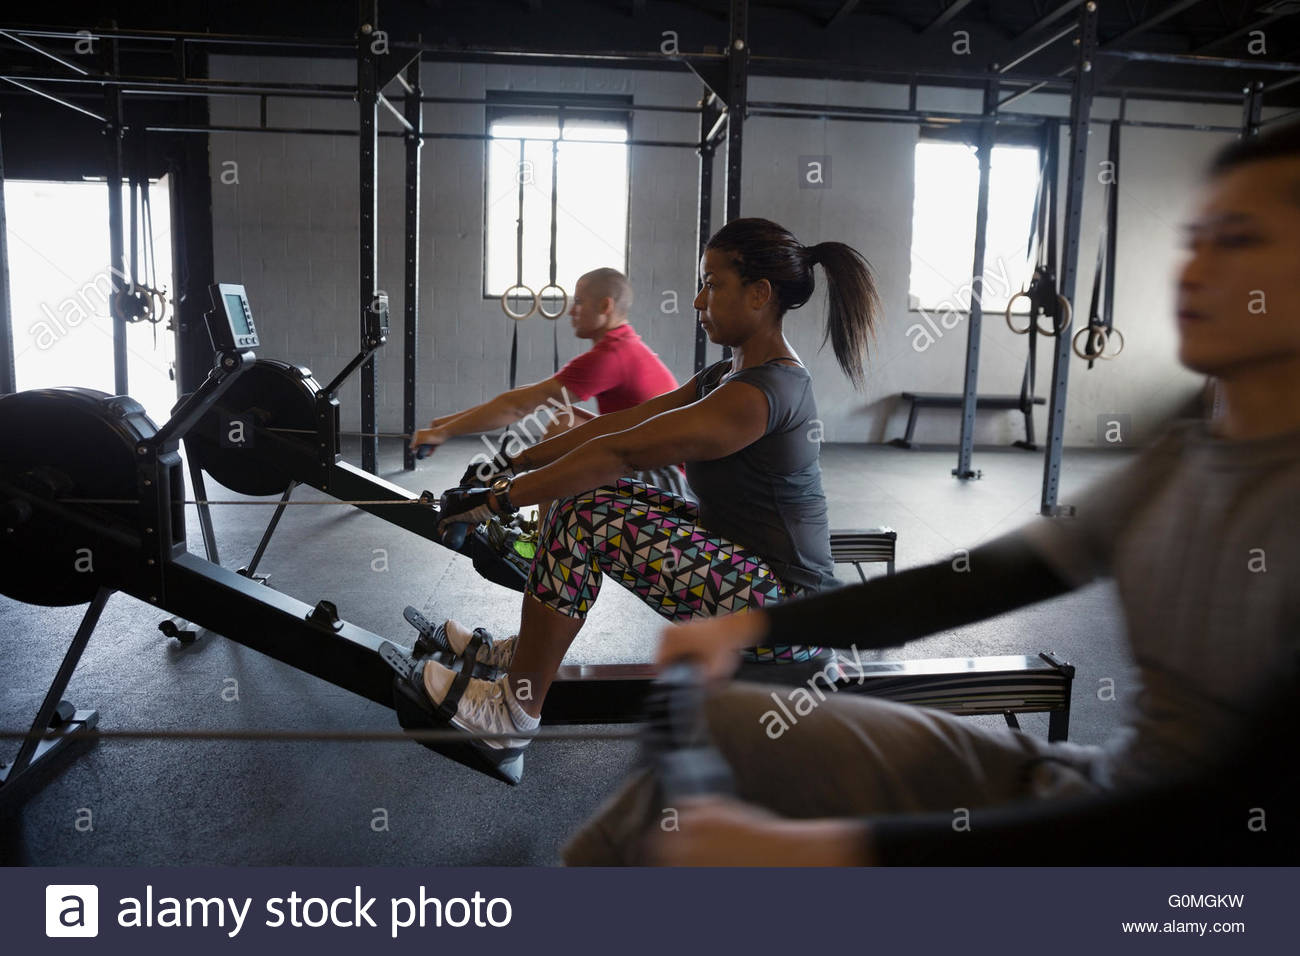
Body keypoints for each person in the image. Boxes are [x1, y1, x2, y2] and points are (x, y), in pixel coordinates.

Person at [563, 120, 1300, 865]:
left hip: (1186, 871)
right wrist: (749, 631)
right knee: (720, 721)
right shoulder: (1180, 461)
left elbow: (1223, 813)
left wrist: (835, 850)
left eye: (1236, 240)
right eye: (1194, 238)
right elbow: (970, 585)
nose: (1193, 268)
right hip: (1091, 791)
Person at [386, 219, 882, 771]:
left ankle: (512, 715)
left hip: (788, 614)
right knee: (583, 499)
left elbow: (625, 453)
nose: (698, 299)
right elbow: (616, 429)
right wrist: (514, 466)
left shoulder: (767, 391)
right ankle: (524, 658)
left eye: (712, 284)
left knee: (587, 514)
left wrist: (502, 500)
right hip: (748, 574)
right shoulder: (727, 373)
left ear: (759, 293)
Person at [409, 267, 685, 496]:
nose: (570, 311)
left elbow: (519, 407)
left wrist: (444, 433)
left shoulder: (612, 355)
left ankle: (542, 544)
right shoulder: (621, 344)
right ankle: (544, 535)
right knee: (566, 419)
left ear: (605, 305)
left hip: (668, 481)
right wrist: (443, 426)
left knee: (562, 425)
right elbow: (523, 397)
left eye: (578, 302)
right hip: (646, 461)